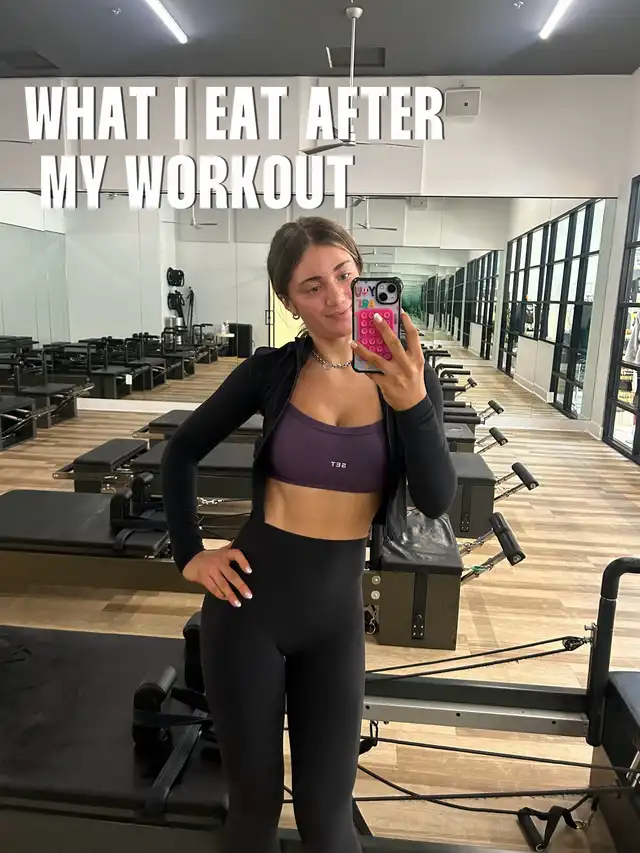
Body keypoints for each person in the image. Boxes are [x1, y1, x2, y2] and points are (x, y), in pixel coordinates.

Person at [161, 216, 457, 853]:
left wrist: (412, 402)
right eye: (312, 287)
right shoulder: (271, 372)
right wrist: (190, 555)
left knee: (328, 820)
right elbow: (180, 452)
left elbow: (436, 500)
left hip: (335, 618)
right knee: (254, 812)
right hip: (248, 609)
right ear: (288, 301)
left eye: (345, 276)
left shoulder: (409, 376)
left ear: (362, 272)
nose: (336, 298)